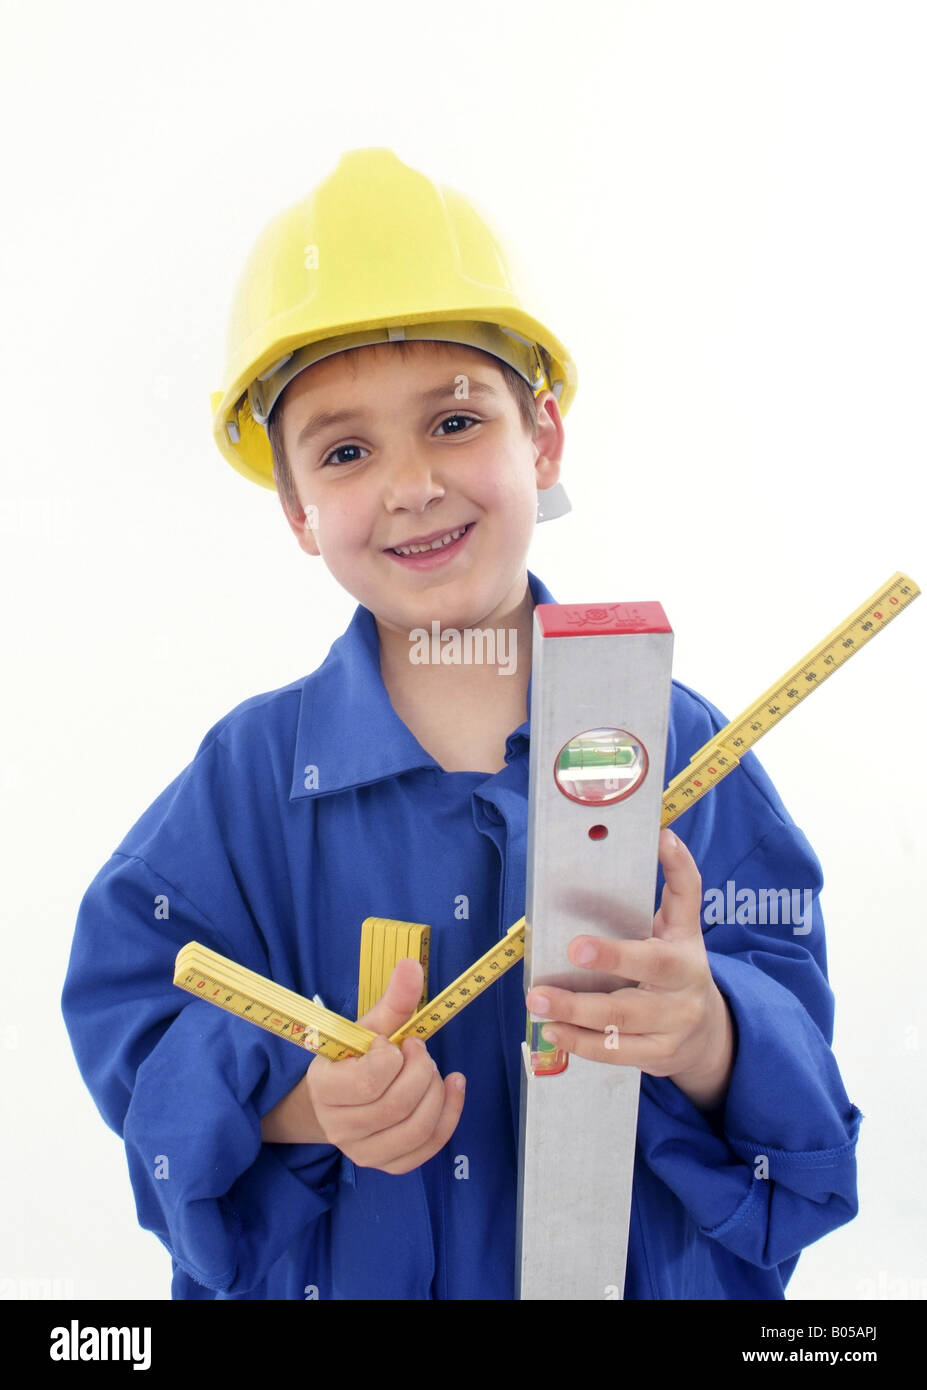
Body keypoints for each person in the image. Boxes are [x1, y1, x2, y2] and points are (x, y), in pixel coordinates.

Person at [61, 148, 860, 1300]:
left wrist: (708, 1032)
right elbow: (135, 1007)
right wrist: (299, 1100)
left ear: (543, 440)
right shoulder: (246, 780)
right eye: (345, 450)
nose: (410, 484)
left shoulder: (685, 751)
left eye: (453, 420)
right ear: (295, 510)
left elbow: (802, 1086)